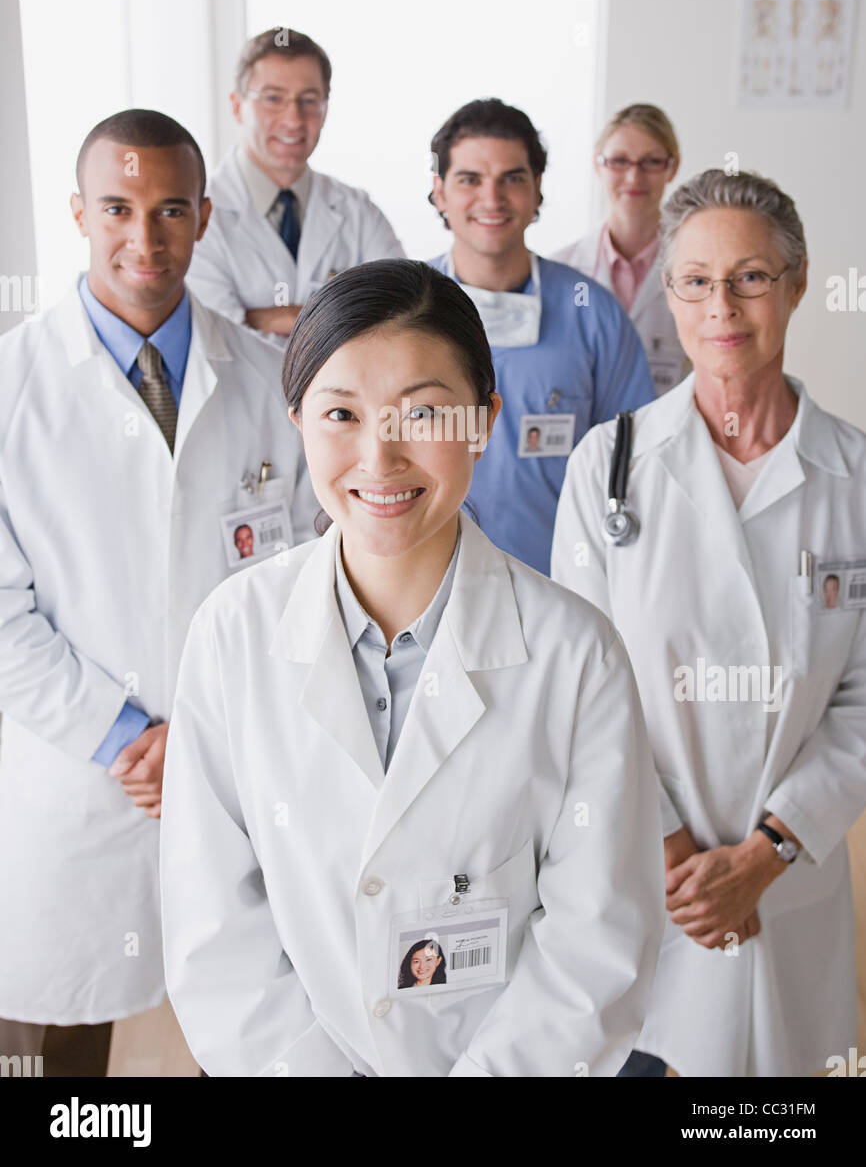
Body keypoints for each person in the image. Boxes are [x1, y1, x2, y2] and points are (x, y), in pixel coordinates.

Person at [160, 258, 665, 1077]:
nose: (380, 457)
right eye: (341, 414)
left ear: (484, 420)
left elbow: (595, 947)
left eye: (423, 414)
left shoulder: (578, 656)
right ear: (298, 421)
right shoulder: (231, 636)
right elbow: (215, 928)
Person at [0, 110, 317, 1076]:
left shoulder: (270, 381)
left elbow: (308, 583)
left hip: (236, 774)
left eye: (171, 209)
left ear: (206, 215)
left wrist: (201, 742)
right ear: (78, 214)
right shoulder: (12, 388)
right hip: (81, 783)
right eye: (119, 209)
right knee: (74, 1049)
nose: (146, 237)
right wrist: (128, 739)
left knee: (236, 1029)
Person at [552, 169, 866, 1077]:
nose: (720, 304)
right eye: (694, 281)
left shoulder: (853, 476)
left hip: (789, 881)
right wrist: (677, 855)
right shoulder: (605, 470)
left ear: (799, 285)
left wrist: (766, 854)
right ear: (668, 293)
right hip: (651, 879)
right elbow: (580, 691)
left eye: (751, 278)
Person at [426, 98, 655, 575]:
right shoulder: (401, 312)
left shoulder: (591, 315)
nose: (492, 199)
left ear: (537, 193)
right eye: (470, 179)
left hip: (557, 589)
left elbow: (637, 468)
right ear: (440, 192)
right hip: (420, 586)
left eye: (512, 178)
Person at [186, 27, 403, 343]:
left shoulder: (358, 211)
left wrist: (265, 317)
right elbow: (215, 334)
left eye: (309, 100)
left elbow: (400, 317)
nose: (294, 120)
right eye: (273, 98)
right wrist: (345, 317)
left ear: (325, 108)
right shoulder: (199, 214)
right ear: (236, 106)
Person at [553, 103, 688, 396]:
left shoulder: (694, 267)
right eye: (619, 161)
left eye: (651, 162)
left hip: (673, 433)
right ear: (598, 165)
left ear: (672, 167)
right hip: (588, 436)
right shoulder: (562, 269)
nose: (633, 177)